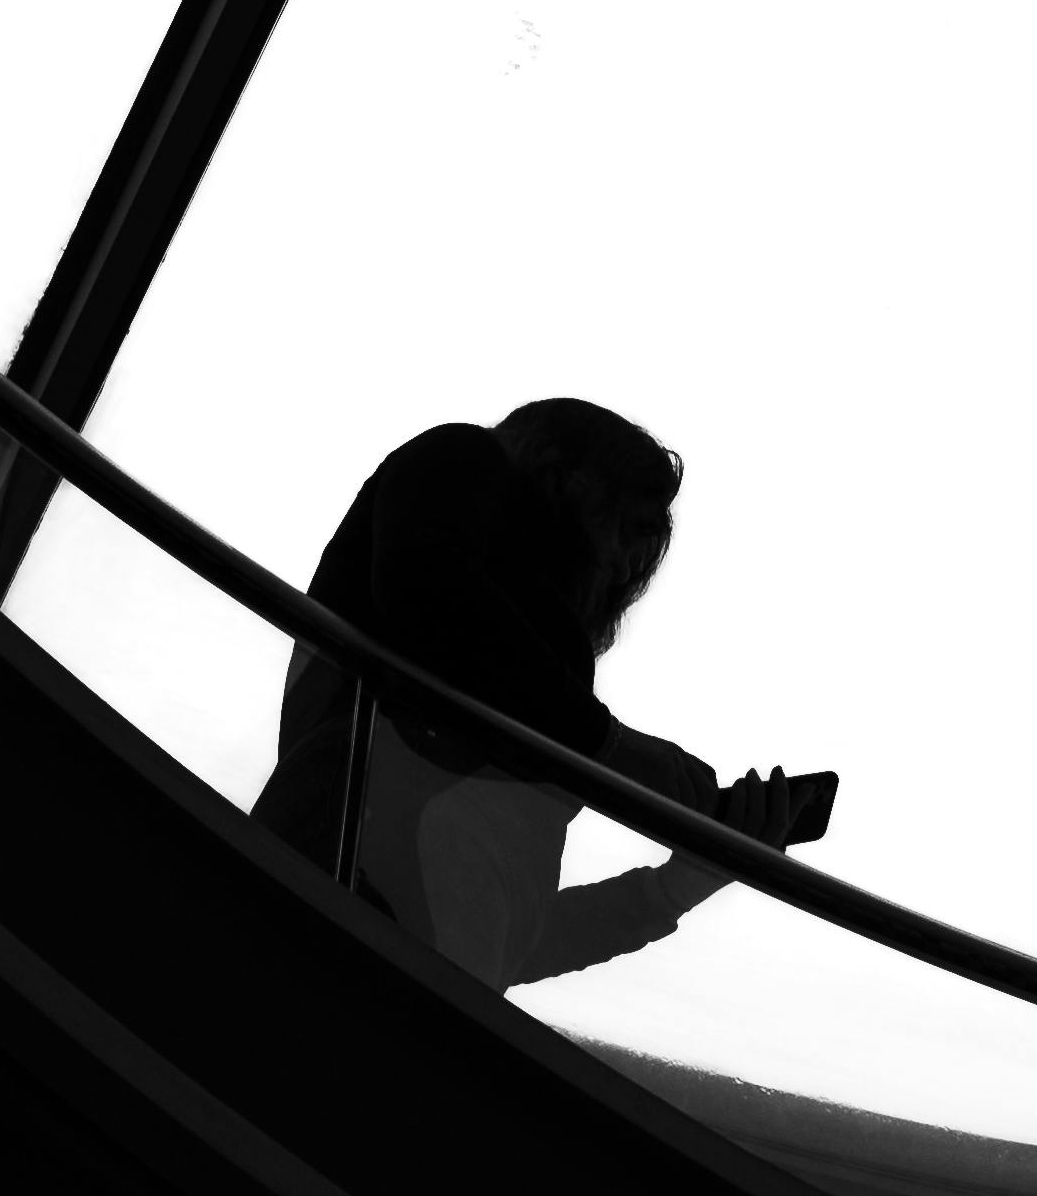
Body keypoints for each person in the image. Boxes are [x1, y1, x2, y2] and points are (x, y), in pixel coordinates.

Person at [253, 398, 827, 991]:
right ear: (571, 475)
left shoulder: (537, 698)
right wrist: (609, 750)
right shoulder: (461, 457)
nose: (623, 567)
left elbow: (510, 943)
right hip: (312, 935)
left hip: (418, 998)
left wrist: (677, 886)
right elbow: (426, 588)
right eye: (629, 528)